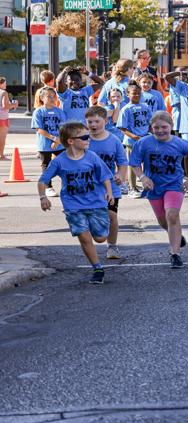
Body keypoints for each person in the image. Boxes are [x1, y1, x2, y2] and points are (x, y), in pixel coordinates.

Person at [38, 123, 114, 284]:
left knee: (100, 238)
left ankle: (100, 240)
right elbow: (43, 180)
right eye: (85, 137)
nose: (88, 140)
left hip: (96, 203)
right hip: (73, 206)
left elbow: (105, 176)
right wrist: (43, 197)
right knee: (84, 236)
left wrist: (110, 191)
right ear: (71, 141)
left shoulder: (92, 156)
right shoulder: (59, 161)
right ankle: (97, 268)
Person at [132, 110, 188, 267]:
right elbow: (134, 163)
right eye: (156, 127)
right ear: (151, 128)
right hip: (153, 187)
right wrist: (143, 177)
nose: (160, 130)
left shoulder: (181, 143)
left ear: (171, 126)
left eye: (164, 127)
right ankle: (176, 235)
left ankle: (175, 254)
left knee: (172, 215)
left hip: (174, 185)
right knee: (162, 221)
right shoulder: (144, 143)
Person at [81, 106, 130, 260]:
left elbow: (122, 162)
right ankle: (94, 232)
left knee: (112, 215)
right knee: (94, 223)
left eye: (97, 121)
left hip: (110, 186)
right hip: (88, 186)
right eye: (90, 122)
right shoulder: (82, 140)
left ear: (106, 121)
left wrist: (120, 175)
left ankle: (112, 246)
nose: (93, 125)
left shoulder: (114, 140)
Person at [115, 82, 154, 195]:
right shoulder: (126, 109)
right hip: (132, 142)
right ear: (128, 94)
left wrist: (153, 134)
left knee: (147, 163)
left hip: (146, 140)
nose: (136, 95)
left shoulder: (146, 107)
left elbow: (150, 123)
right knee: (133, 164)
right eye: (133, 93)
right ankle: (133, 187)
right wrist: (135, 137)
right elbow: (122, 127)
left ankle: (147, 184)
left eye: (138, 93)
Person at [33, 86, 66, 174]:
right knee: (46, 165)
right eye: (49, 96)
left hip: (59, 143)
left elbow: (64, 127)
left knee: (64, 164)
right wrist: (53, 138)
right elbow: (38, 128)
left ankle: (67, 184)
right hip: (44, 144)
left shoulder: (59, 111)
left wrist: (58, 140)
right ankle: (48, 186)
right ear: (42, 98)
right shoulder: (38, 112)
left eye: (54, 96)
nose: (52, 98)